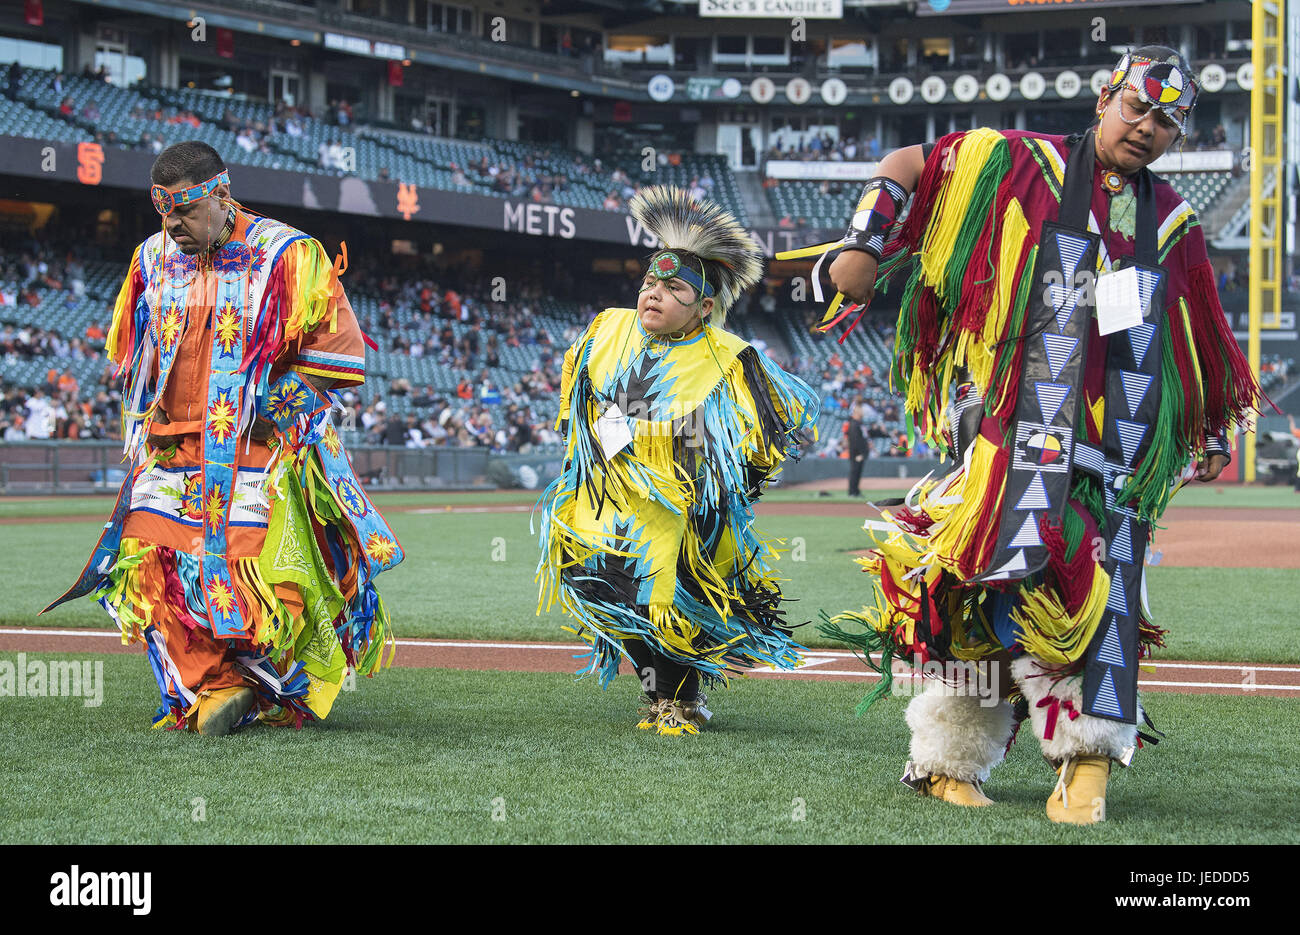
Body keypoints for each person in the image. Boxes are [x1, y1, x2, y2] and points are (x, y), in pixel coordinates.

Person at [781, 48, 1262, 822]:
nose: (1146, 127)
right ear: (1104, 98)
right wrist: (865, 240)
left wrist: (1204, 422)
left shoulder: (1172, 218)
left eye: (1167, 120)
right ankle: (945, 758)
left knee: (1101, 598)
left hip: (1120, 454)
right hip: (1016, 438)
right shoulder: (1020, 164)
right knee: (987, 602)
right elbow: (909, 161)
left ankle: (1087, 762)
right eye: (1136, 107)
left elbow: (1191, 332)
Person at [43, 142, 403, 736]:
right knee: (155, 560)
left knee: (257, 569)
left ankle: (262, 675)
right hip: (172, 447)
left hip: (261, 446)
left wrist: (274, 414)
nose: (172, 226)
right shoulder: (151, 260)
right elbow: (136, 354)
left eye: (184, 211)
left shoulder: (286, 255)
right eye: (163, 212)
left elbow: (336, 358)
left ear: (220, 194)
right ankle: (211, 684)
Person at [536, 186, 820, 735]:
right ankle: (658, 690)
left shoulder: (729, 358)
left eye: (672, 288)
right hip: (604, 500)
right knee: (603, 589)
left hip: (680, 512)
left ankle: (676, 698)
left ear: (705, 307)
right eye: (649, 284)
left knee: (667, 601)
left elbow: (757, 440)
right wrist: (616, 440)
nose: (653, 295)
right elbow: (580, 404)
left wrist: (690, 463)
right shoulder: (608, 330)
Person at [846, 404, 867, 496]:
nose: (861, 414)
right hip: (856, 453)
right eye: (859, 412)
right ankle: (853, 491)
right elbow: (855, 440)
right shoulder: (854, 424)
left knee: (857, 472)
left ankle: (855, 491)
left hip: (858, 453)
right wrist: (859, 453)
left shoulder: (858, 423)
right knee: (855, 472)